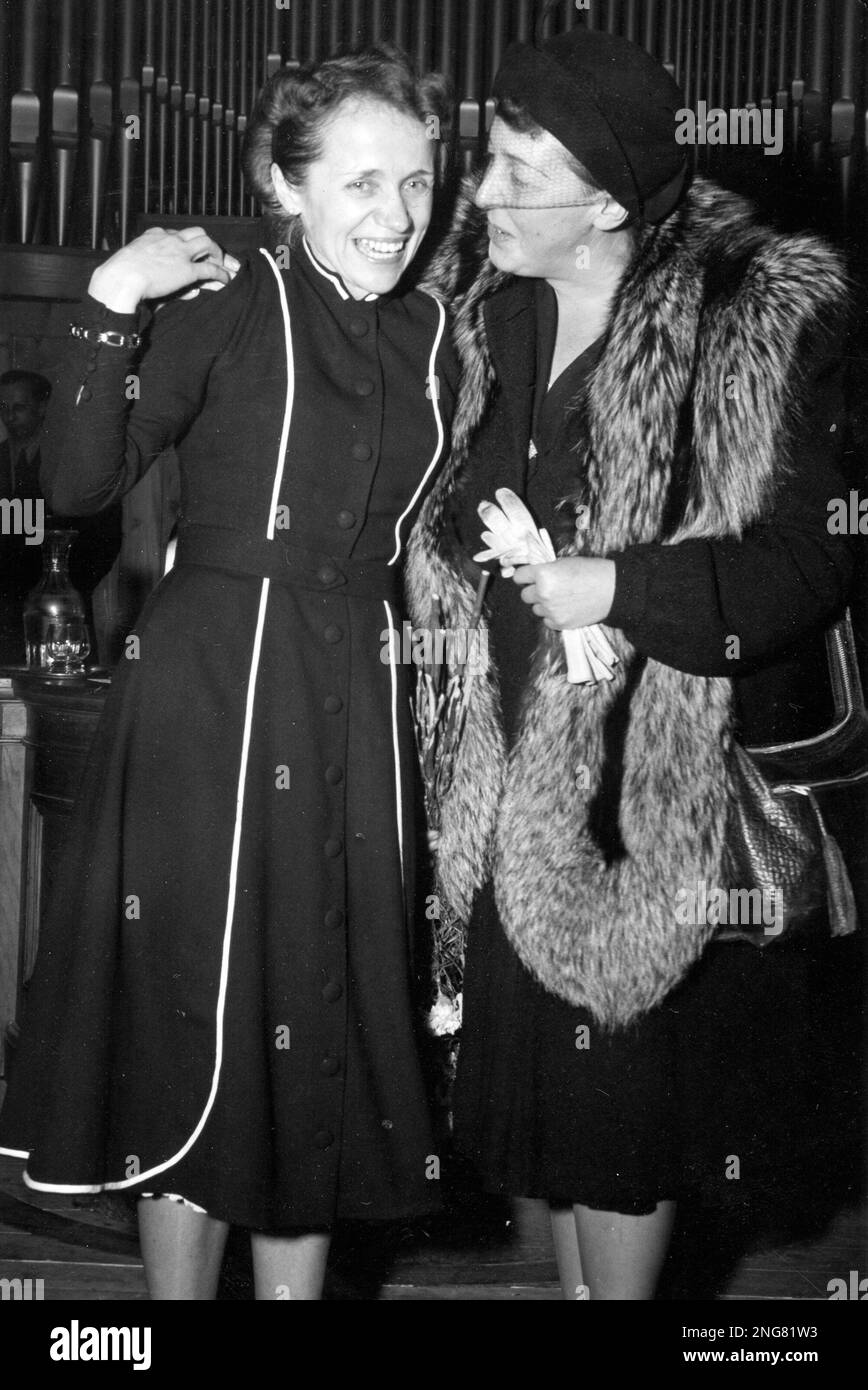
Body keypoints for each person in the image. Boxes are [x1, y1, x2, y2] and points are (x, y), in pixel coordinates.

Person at [0, 43, 457, 1301]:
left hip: (356, 695)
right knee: (194, 1010)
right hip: (214, 686)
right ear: (284, 183)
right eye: (361, 183)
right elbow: (81, 488)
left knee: (321, 1027)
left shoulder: (431, 333)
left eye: (417, 182)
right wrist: (107, 302)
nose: (396, 215)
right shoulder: (233, 298)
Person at [407, 29, 855, 1300]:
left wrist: (618, 585)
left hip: (644, 795)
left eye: (510, 168)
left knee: (620, 1135)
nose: (476, 190)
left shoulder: (748, 322)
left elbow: (807, 563)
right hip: (502, 784)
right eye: (483, 156)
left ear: (606, 198)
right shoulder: (476, 305)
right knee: (546, 1132)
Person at [0, 369, 121, 664]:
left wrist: (67, 589)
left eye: (19, 407)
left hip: (61, 611)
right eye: (3, 407)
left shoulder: (72, 465)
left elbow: (105, 537)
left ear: (42, 408)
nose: (9, 416)